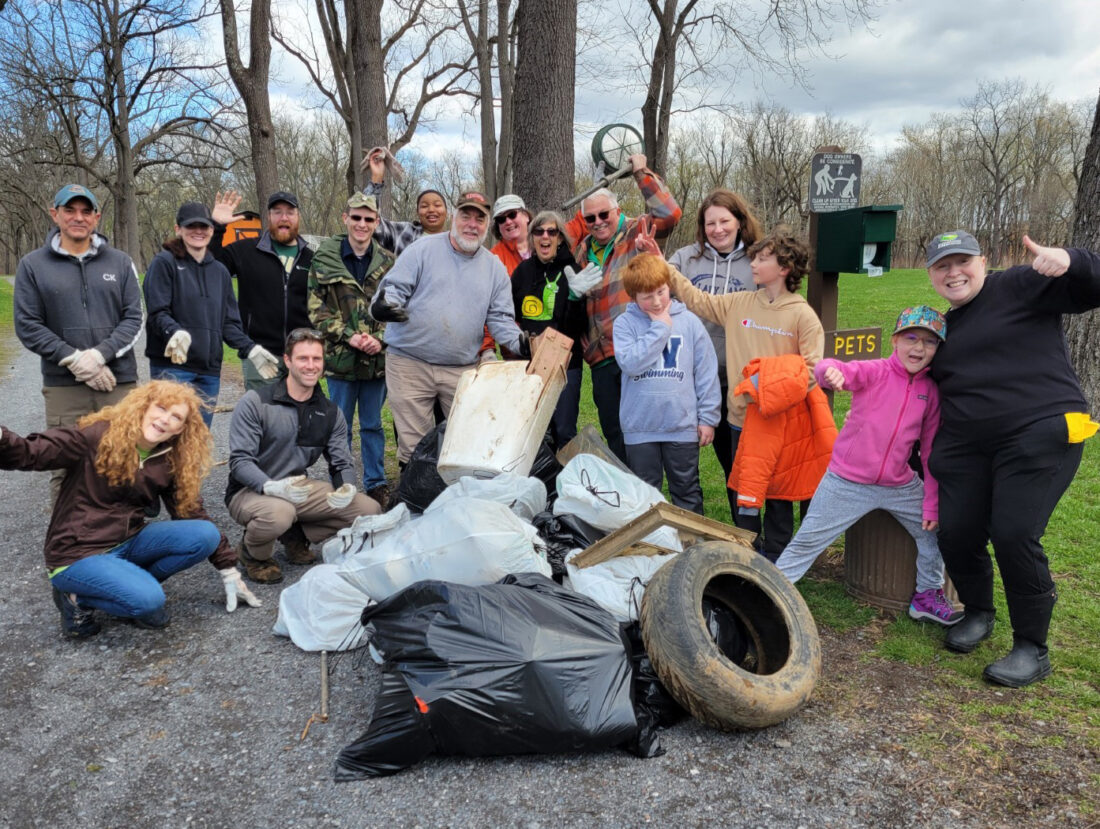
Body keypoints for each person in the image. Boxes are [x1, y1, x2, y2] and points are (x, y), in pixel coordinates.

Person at [924, 231, 1100, 687]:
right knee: (958, 529)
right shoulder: (945, 326)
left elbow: (1092, 288)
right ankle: (979, 612)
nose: (953, 272)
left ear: (983, 262)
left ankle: (1031, 647)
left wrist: (1071, 261)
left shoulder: (1020, 284)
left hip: (1038, 429)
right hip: (970, 444)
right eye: (943, 266)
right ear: (931, 276)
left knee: (1013, 533)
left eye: (963, 261)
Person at [0, 380, 260, 638]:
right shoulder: (95, 436)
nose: (165, 419)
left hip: (127, 541)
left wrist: (228, 570)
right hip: (77, 552)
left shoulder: (168, 458)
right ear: (143, 407)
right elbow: (30, 452)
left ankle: (125, 586)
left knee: (205, 534)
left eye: (176, 417)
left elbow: (190, 509)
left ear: (182, 429)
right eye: (161, 408)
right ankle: (76, 598)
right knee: (150, 602)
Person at [774, 306, 960, 625]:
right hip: (847, 482)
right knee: (808, 540)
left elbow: (930, 451)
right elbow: (839, 369)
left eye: (929, 342)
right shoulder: (875, 371)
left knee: (933, 532)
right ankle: (770, 591)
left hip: (900, 484)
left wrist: (931, 503)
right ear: (894, 341)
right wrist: (828, 372)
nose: (918, 348)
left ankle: (927, 595)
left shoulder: (930, 392)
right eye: (911, 338)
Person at [665, 229, 824, 558]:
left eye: (762, 258)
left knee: (778, 493)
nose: (753, 262)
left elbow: (811, 371)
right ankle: (747, 552)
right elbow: (697, 299)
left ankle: (778, 557)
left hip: (780, 424)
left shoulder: (802, 315)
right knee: (743, 490)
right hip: (740, 421)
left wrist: (766, 389)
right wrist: (665, 269)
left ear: (784, 268)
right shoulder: (739, 303)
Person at [369, 192, 528, 466]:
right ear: (454, 217)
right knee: (415, 447)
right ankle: (415, 503)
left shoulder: (495, 268)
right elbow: (393, 290)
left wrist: (520, 343)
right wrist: (384, 305)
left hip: (461, 366)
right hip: (409, 363)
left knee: (466, 441)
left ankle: (456, 501)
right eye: (466, 215)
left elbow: (501, 319)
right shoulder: (422, 249)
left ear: (487, 225)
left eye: (480, 218)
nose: (472, 224)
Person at [13, 183, 144, 500]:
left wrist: (99, 356)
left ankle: (127, 535)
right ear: (54, 214)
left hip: (119, 380)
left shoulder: (120, 262)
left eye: (86, 211)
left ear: (97, 217)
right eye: (69, 210)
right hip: (63, 385)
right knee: (66, 463)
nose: (78, 217)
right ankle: (69, 546)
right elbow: (28, 324)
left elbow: (134, 317)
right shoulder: (33, 266)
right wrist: (74, 359)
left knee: (125, 458)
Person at [226, 328, 381, 584]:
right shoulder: (256, 402)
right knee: (279, 513)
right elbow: (240, 461)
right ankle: (253, 553)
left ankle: (295, 535)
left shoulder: (329, 412)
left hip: (297, 488)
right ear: (287, 361)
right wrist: (270, 486)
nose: (311, 366)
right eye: (303, 359)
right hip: (250, 489)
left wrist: (347, 486)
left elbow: (341, 461)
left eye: (316, 359)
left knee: (369, 509)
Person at [565, 154, 682, 463]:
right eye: (590, 218)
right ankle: (627, 498)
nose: (598, 222)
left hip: (640, 351)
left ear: (617, 210)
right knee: (615, 432)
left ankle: (651, 491)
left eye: (604, 213)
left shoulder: (637, 230)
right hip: (602, 360)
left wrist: (641, 172)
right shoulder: (580, 251)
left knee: (645, 431)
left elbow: (670, 214)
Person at [668, 188, 763, 520]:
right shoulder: (685, 259)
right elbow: (655, 287)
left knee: (736, 463)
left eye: (725, 221)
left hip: (735, 380)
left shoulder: (758, 261)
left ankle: (745, 533)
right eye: (711, 223)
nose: (718, 229)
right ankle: (690, 527)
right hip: (688, 378)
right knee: (682, 464)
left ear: (739, 221)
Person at [144, 201, 281, 427]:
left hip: (208, 372)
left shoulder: (219, 272)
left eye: (204, 226)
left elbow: (229, 323)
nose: (198, 232)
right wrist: (174, 332)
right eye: (191, 226)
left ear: (210, 229)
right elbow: (157, 311)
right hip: (172, 368)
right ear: (178, 229)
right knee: (166, 435)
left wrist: (250, 348)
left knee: (196, 438)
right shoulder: (164, 263)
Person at [613, 254, 720, 514]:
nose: (657, 301)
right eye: (647, 297)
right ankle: (653, 549)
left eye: (661, 292)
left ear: (668, 286)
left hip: (681, 425)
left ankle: (693, 547)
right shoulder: (624, 324)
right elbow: (630, 362)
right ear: (633, 297)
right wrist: (660, 329)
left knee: (687, 490)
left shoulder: (690, 323)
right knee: (646, 495)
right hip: (641, 427)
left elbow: (705, 371)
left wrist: (708, 418)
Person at [307, 192, 395, 508]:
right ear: (345, 218)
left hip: (375, 362)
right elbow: (316, 309)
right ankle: (343, 483)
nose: (361, 224)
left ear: (376, 223)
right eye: (356, 217)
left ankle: (376, 483)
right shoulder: (324, 258)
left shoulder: (388, 261)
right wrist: (349, 336)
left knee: (372, 424)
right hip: (340, 360)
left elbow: (398, 307)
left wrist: (379, 337)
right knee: (340, 424)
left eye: (368, 219)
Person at [210, 190, 315, 390]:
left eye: (290, 212)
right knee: (264, 417)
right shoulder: (245, 251)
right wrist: (217, 227)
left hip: (302, 355)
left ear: (298, 217)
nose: (284, 218)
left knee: (300, 417)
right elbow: (210, 267)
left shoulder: (312, 259)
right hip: (259, 354)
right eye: (277, 212)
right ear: (268, 217)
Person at [508, 210, 587, 447]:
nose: (545, 237)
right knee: (533, 432)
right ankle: (538, 482)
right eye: (539, 232)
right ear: (532, 237)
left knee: (563, 430)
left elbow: (579, 326)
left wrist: (575, 298)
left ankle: (564, 481)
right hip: (531, 362)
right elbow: (510, 316)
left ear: (560, 237)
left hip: (566, 364)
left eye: (552, 231)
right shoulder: (522, 273)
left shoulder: (572, 271)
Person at [363, 148, 449, 255]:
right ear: (417, 212)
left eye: (437, 205)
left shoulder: (455, 242)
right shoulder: (403, 232)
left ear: (446, 212)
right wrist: (377, 177)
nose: (431, 209)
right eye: (424, 206)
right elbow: (369, 221)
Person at [490, 194, 532, 274]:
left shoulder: (544, 245)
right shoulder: (493, 258)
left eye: (512, 214)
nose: (508, 222)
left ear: (526, 216)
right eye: (501, 219)